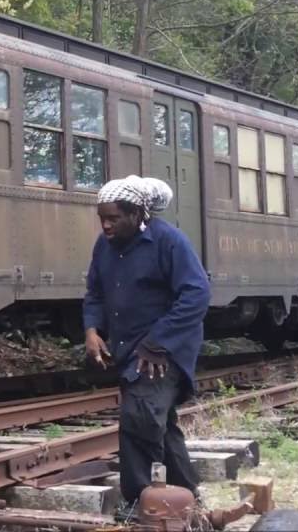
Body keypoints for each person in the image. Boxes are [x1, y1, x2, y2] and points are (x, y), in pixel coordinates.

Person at [82, 175, 211, 512]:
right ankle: (187, 499)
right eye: (102, 218)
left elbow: (197, 294)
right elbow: (95, 292)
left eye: (113, 218)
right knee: (161, 425)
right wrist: (92, 329)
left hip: (161, 353)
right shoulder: (104, 246)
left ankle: (141, 504)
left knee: (138, 420)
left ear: (138, 214)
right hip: (130, 350)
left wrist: (159, 341)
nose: (106, 225)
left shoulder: (169, 241)